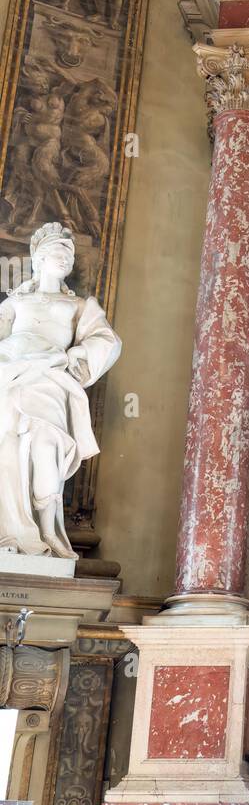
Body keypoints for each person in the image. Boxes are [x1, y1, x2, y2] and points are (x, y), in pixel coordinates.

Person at [0, 222, 121, 558]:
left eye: (68, 253)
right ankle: (11, 533)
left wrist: (79, 353)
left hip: (51, 379)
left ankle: (49, 533)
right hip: (10, 374)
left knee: (47, 449)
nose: (64, 257)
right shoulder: (15, 302)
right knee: (7, 451)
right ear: (37, 259)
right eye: (57, 250)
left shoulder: (80, 305)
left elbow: (106, 340)